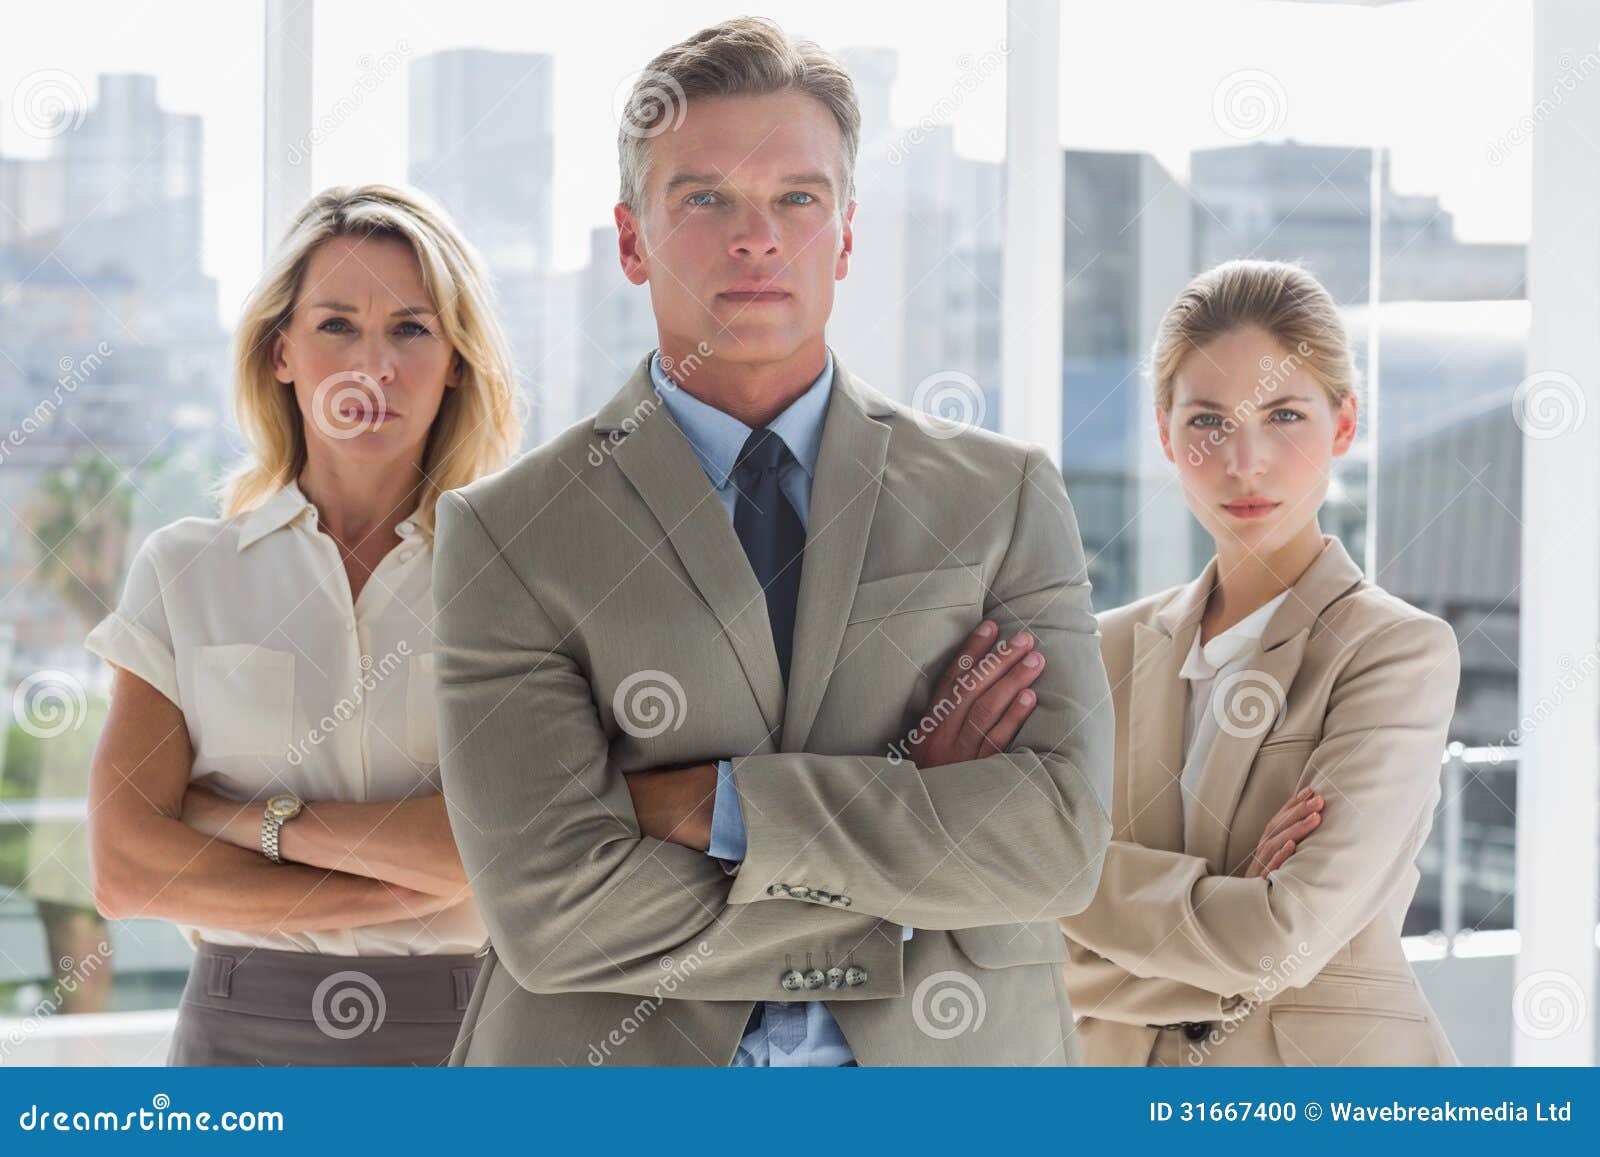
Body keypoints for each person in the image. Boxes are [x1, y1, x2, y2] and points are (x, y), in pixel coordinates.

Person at [433, 17, 1113, 1067]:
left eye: (796, 198)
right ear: (630, 238)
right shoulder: (509, 531)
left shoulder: (1002, 494)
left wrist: (725, 805)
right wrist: (910, 822)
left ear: (844, 234)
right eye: (705, 198)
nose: (756, 237)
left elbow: (1058, 844)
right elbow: (553, 914)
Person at [85, 184, 521, 1065]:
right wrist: (405, 890)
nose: (373, 366)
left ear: (457, 363)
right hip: (233, 1040)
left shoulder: (518, 576)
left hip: (466, 1039)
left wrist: (239, 819)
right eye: (336, 326)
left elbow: (501, 848)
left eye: (411, 328)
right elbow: (126, 870)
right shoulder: (186, 569)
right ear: (281, 351)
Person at [1058, 259, 1460, 1066]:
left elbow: (1282, 938)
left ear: (1343, 425)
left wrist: (1065, 879)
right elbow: (1011, 941)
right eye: (1208, 420)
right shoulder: (1099, 650)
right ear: (1165, 430)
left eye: (1283, 415)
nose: (1245, 462)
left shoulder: (1393, 652)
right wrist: (1227, 896)